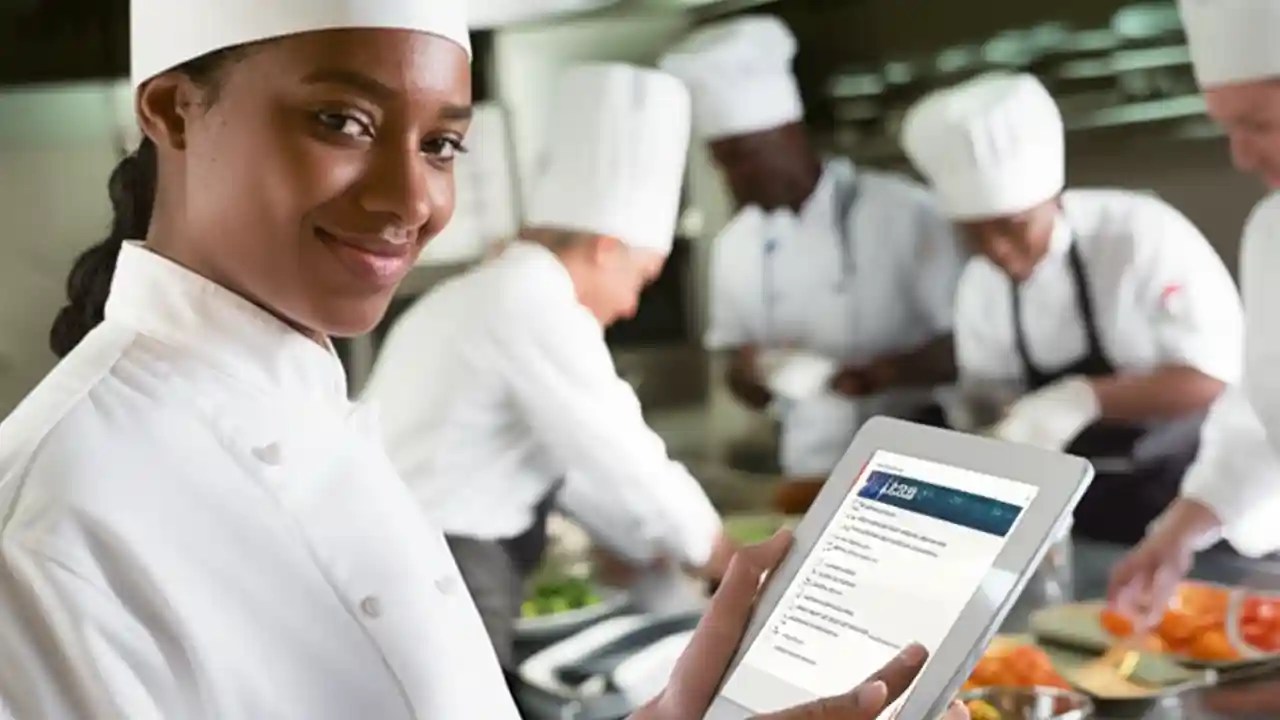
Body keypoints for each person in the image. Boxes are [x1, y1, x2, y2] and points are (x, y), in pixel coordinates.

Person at [0, 1, 971, 718]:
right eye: (342, 120)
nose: (409, 199)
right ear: (171, 112)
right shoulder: (51, 519)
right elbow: (624, 464)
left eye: (443, 142)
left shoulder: (313, 408)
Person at [361, 62, 736, 671]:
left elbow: (574, 464)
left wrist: (645, 546)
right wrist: (721, 556)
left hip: (419, 565)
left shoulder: (480, 293)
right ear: (606, 248)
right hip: (445, 571)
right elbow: (620, 451)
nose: (631, 305)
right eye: (640, 279)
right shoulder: (531, 300)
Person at [901, 71, 1243, 545]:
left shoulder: (1141, 236)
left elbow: (1211, 378)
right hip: (1079, 516)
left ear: (1051, 198)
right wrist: (985, 420)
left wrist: (1082, 399)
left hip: (1189, 504)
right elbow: (990, 395)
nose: (996, 249)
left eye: (1012, 227)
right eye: (973, 233)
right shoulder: (981, 284)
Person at [659, 16, 965, 511]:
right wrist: (755, 372)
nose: (733, 180)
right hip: (809, 475)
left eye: (743, 157)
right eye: (722, 162)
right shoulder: (737, 243)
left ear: (788, 133)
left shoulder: (905, 212)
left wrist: (881, 374)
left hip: (920, 468)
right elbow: (740, 383)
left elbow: (967, 347)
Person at [1109, 0, 1280, 624]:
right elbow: (1267, 415)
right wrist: (1181, 528)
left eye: (1258, 123)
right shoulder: (1272, 232)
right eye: (1226, 127)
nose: (1240, 155)